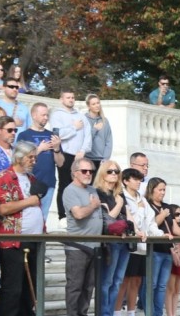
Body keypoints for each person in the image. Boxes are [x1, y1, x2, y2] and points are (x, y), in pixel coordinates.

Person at [0, 141, 47, 316]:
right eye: (30, 157)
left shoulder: (31, 179)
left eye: (35, 157)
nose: (33, 161)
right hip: (12, 239)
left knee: (31, 283)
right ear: (18, 157)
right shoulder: (4, 178)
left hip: (34, 238)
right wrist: (29, 201)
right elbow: (2, 208)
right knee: (12, 284)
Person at [118, 168, 167, 316]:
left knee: (137, 281)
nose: (139, 182)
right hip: (130, 245)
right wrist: (139, 209)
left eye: (140, 179)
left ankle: (131, 314)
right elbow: (132, 222)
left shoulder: (141, 199)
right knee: (124, 281)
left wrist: (160, 234)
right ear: (125, 180)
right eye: (135, 179)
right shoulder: (122, 196)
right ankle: (117, 314)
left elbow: (151, 221)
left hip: (143, 245)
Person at [62, 158, 104, 316]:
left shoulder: (93, 190)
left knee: (89, 286)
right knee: (75, 285)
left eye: (91, 171)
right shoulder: (70, 191)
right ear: (75, 172)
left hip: (94, 245)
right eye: (84, 171)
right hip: (77, 246)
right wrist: (93, 205)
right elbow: (78, 214)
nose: (88, 174)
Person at [94, 161, 128, 316]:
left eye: (117, 171)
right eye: (110, 171)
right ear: (102, 173)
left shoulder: (119, 193)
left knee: (117, 282)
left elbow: (127, 218)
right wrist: (119, 205)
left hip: (124, 241)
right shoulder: (98, 194)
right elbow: (107, 220)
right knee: (106, 281)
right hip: (109, 242)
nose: (114, 174)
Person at [147, 177, 180, 316]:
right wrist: (162, 215)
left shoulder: (167, 206)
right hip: (155, 249)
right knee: (154, 283)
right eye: (160, 190)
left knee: (162, 285)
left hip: (167, 250)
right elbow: (151, 224)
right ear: (152, 190)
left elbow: (174, 228)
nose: (163, 193)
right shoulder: (148, 205)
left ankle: (158, 314)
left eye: (164, 190)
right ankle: (151, 315)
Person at [17, 103, 63, 220]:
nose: (46, 118)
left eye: (47, 115)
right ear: (34, 115)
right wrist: (39, 149)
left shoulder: (51, 135)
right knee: (29, 217)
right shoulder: (24, 135)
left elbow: (61, 163)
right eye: (43, 115)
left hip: (49, 183)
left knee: (43, 217)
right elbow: (19, 160)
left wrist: (57, 148)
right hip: (29, 182)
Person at [51, 91, 91, 220]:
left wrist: (83, 150)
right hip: (65, 154)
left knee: (80, 185)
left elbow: (88, 135)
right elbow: (58, 135)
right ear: (61, 99)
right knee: (64, 185)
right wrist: (73, 127)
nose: (71, 100)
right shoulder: (56, 115)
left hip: (80, 156)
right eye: (68, 97)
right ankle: (62, 216)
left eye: (73, 97)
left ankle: (78, 213)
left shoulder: (81, 116)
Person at [84, 94, 113, 175]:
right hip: (87, 159)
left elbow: (109, 141)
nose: (97, 105)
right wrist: (95, 129)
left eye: (98, 103)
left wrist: (105, 159)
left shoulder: (105, 121)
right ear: (88, 106)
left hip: (101, 161)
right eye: (93, 104)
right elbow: (85, 140)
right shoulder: (84, 119)